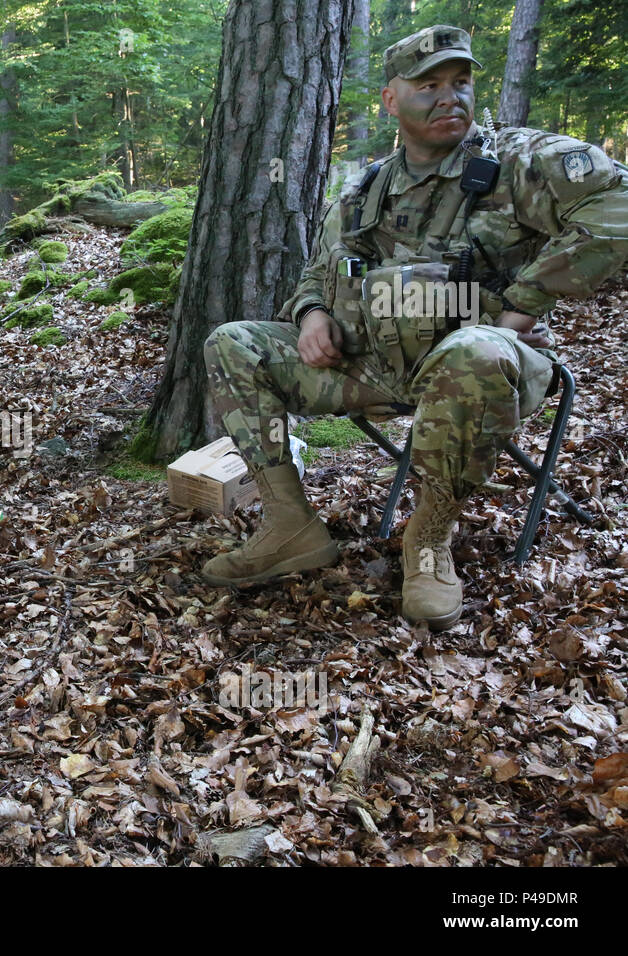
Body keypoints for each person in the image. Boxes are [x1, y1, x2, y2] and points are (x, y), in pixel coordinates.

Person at [201, 25, 628, 630]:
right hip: (374, 364)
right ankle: (288, 525)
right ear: (391, 99)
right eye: (429, 85)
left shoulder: (521, 162)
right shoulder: (366, 187)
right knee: (233, 342)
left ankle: (428, 540)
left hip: (484, 368)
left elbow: (620, 209)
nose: (450, 97)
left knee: (476, 350)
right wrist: (311, 314)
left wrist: (525, 304)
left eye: (460, 83)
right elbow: (318, 272)